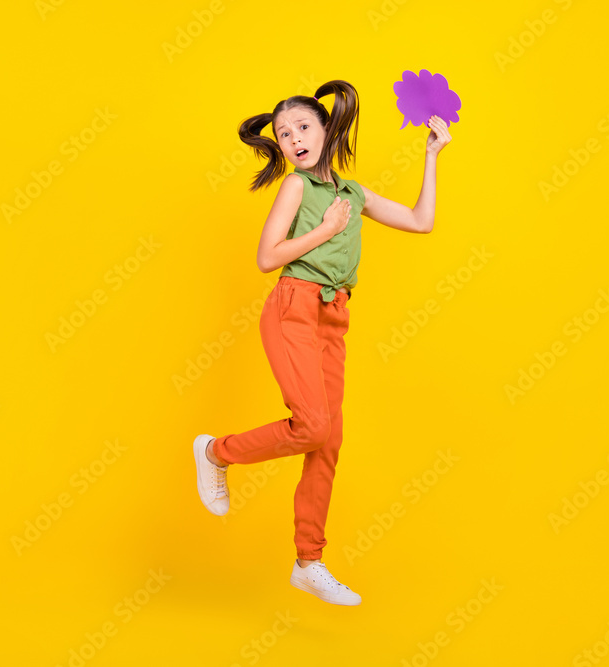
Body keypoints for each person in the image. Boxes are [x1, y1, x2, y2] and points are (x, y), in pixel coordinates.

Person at [192, 79, 452, 606]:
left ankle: (309, 561)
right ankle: (216, 452)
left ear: (328, 129)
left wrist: (432, 154)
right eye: (284, 134)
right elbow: (268, 257)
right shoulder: (297, 188)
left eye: (302, 127)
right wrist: (327, 230)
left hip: (334, 315)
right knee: (311, 425)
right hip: (294, 305)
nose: (292, 139)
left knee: (326, 440)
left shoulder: (353, 194)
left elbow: (422, 222)